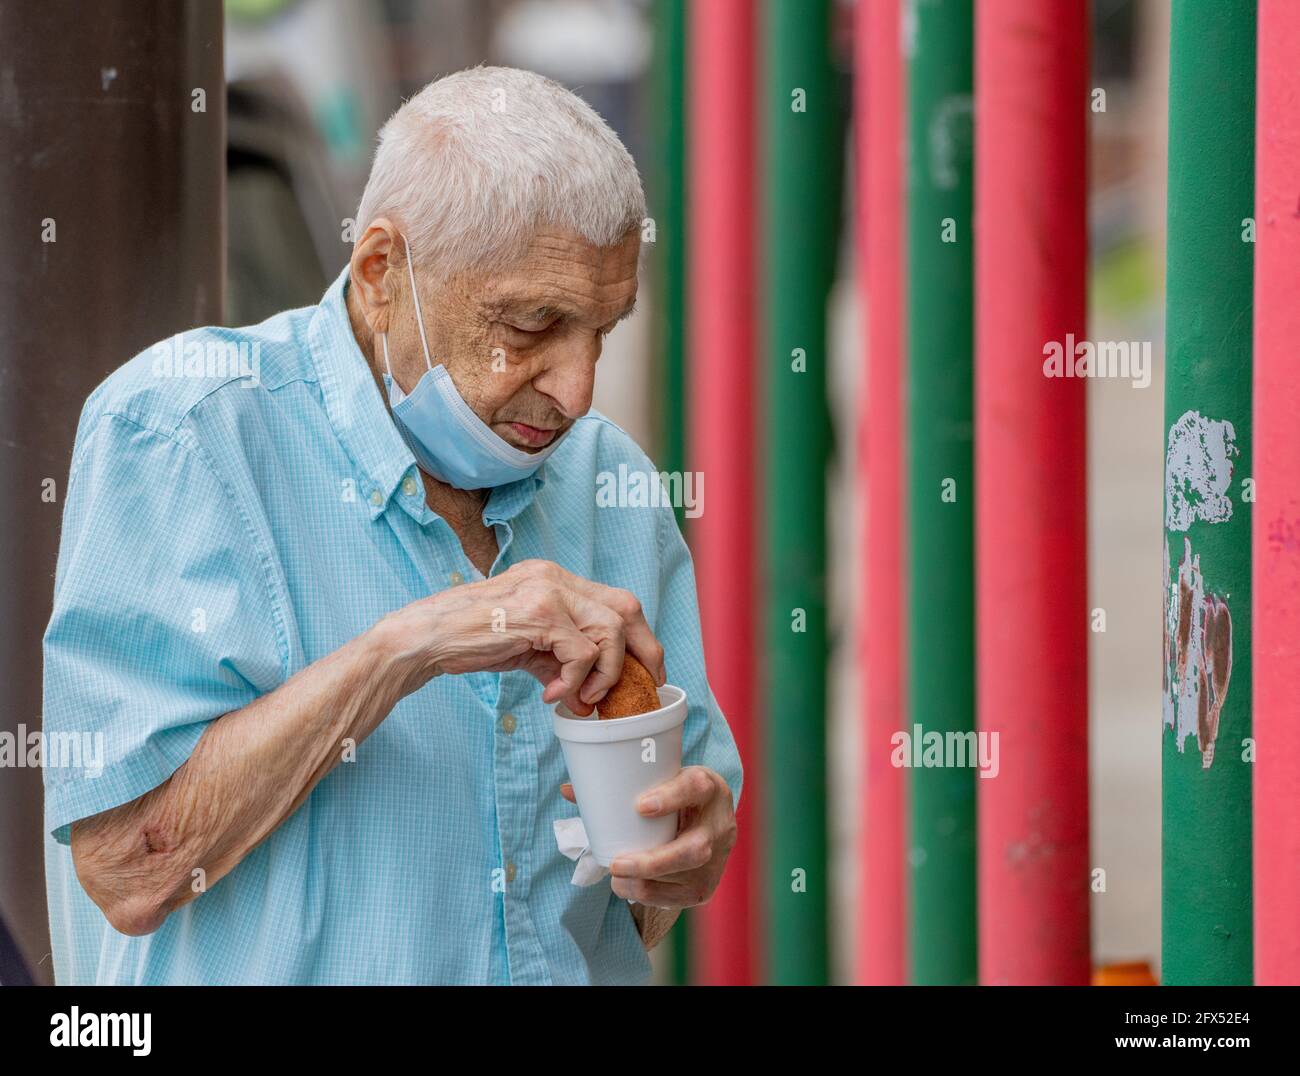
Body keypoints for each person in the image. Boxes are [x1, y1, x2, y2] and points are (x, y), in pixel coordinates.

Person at [42, 65, 742, 985]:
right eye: (531, 326)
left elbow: (647, 890)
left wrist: (687, 854)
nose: (577, 392)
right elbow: (130, 868)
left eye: (601, 332)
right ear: (381, 274)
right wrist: (419, 643)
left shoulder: (608, 477)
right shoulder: (183, 430)